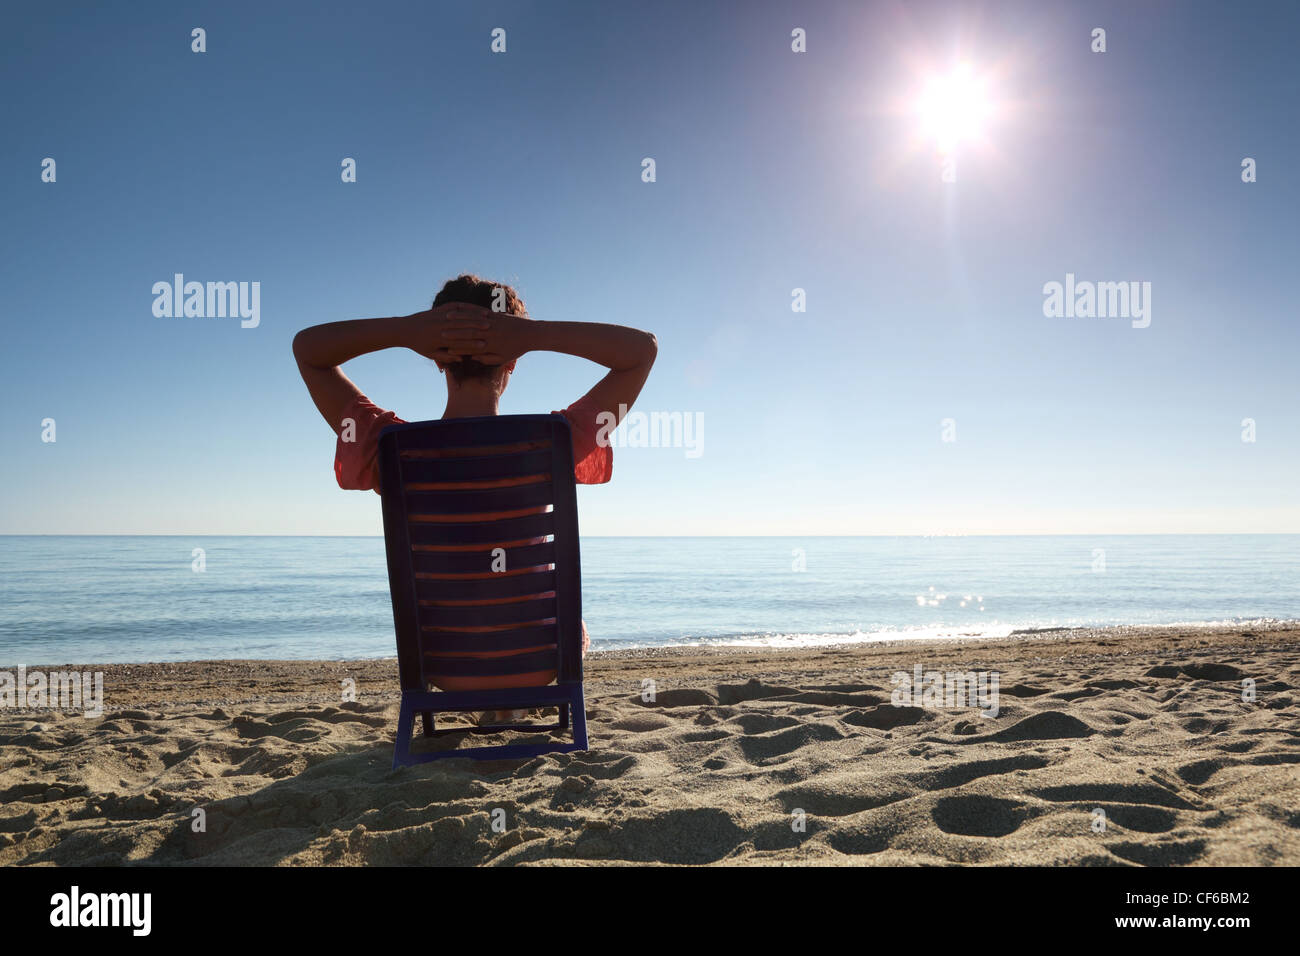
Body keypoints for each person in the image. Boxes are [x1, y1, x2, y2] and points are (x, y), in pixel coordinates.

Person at [292, 274, 657, 723]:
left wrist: (406, 331)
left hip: (443, 666)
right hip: (542, 659)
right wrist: (532, 336)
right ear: (513, 361)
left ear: (437, 361)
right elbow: (641, 352)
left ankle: (494, 706)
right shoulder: (556, 441)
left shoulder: (391, 447)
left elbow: (308, 350)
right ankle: (510, 706)